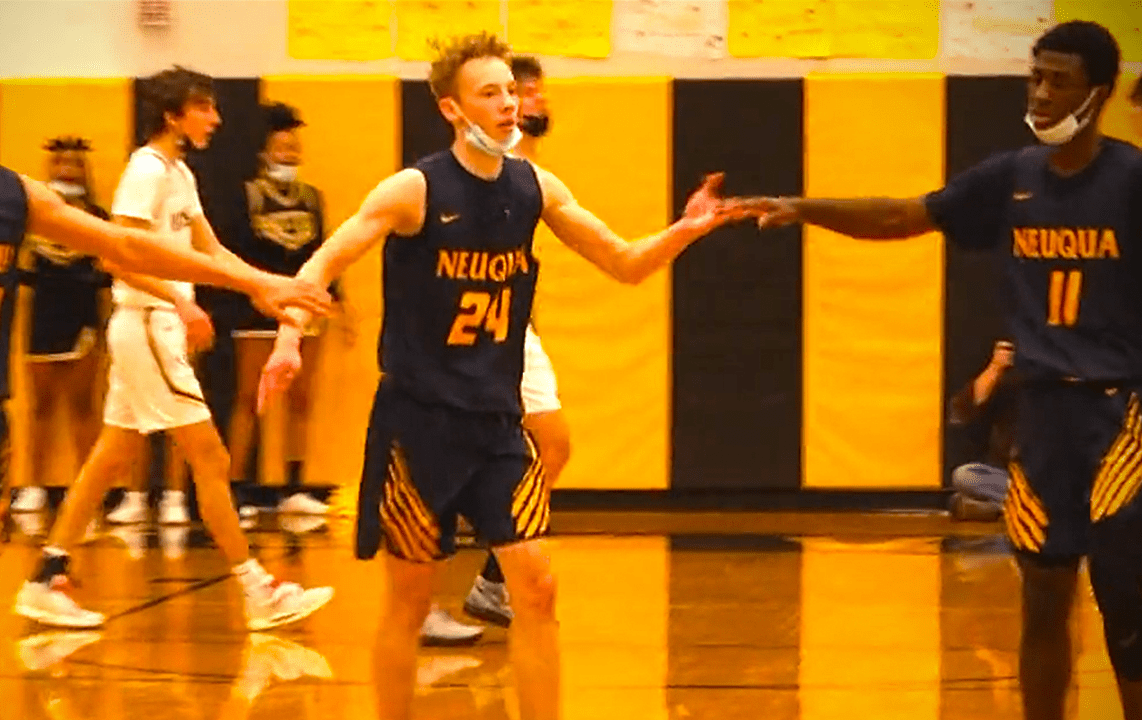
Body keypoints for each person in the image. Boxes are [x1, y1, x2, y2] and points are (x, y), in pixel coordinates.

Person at [257, 31, 752, 720]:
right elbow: (318, 266)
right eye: (488, 92)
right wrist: (288, 341)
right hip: (418, 424)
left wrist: (686, 229)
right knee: (408, 602)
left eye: (511, 90)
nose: (507, 103)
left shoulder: (534, 187)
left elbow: (624, 262)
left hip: (495, 424)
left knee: (539, 587)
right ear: (452, 110)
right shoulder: (415, 190)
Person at [0, 35, 330, 720]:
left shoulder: (7, 193)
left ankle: (51, 566)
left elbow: (123, 245)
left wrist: (257, 281)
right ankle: (244, 580)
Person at [750, 21, 1142, 720]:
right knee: (1044, 597)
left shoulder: (1131, 179)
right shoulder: (1013, 178)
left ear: (1100, 94)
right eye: (1036, 76)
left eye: (1060, 81)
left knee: (1128, 604)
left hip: (1119, 417)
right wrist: (805, 208)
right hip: (1043, 416)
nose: (1043, 93)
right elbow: (905, 213)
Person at [12, 66, 335, 631]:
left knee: (108, 457)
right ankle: (258, 590)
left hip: (152, 327)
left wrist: (269, 288)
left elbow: (211, 254)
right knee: (209, 457)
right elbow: (119, 256)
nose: (215, 117)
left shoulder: (179, 173)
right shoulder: (145, 169)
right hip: (147, 324)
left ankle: (45, 576)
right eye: (204, 107)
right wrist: (183, 303)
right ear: (172, 114)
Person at [419, 54, 569, 646]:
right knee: (445, 466)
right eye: (508, 92)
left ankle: (490, 580)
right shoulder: (453, 175)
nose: (521, 103)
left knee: (554, 445)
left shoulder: (529, 172)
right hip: (463, 340)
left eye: (524, 91)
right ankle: (424, 598)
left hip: (513, 333)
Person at [225, 102, 351, 522]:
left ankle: (295, 486)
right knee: (250, 399)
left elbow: (326, 253)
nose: (290, 154)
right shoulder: (247, 194)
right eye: (282, 148)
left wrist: (339, 301)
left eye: (295, 148)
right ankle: (236, 488)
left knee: (301, 400)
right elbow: (236, 252)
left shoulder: (313, 197)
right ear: (265, 153)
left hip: (304, 309)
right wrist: (253, 292)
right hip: (259, 308)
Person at [12, 136, 112, 515]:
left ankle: (88, 489)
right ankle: (33, 486)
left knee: (84, 406)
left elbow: (105, 275)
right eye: (60, 164)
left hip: (84, 316)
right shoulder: (31, 214)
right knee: (40, 406)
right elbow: (22, 272)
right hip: (41, 318)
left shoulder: (97, 216)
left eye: (74, 164)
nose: (67, 170)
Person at [948, 339, 1018, 521]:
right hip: (1010, 477)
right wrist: (996, 367)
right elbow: (964, 409)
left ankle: (997, 509)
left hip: (1049, 475)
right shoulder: (1010, 381)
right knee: (965, 476)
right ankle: (1016, 508)